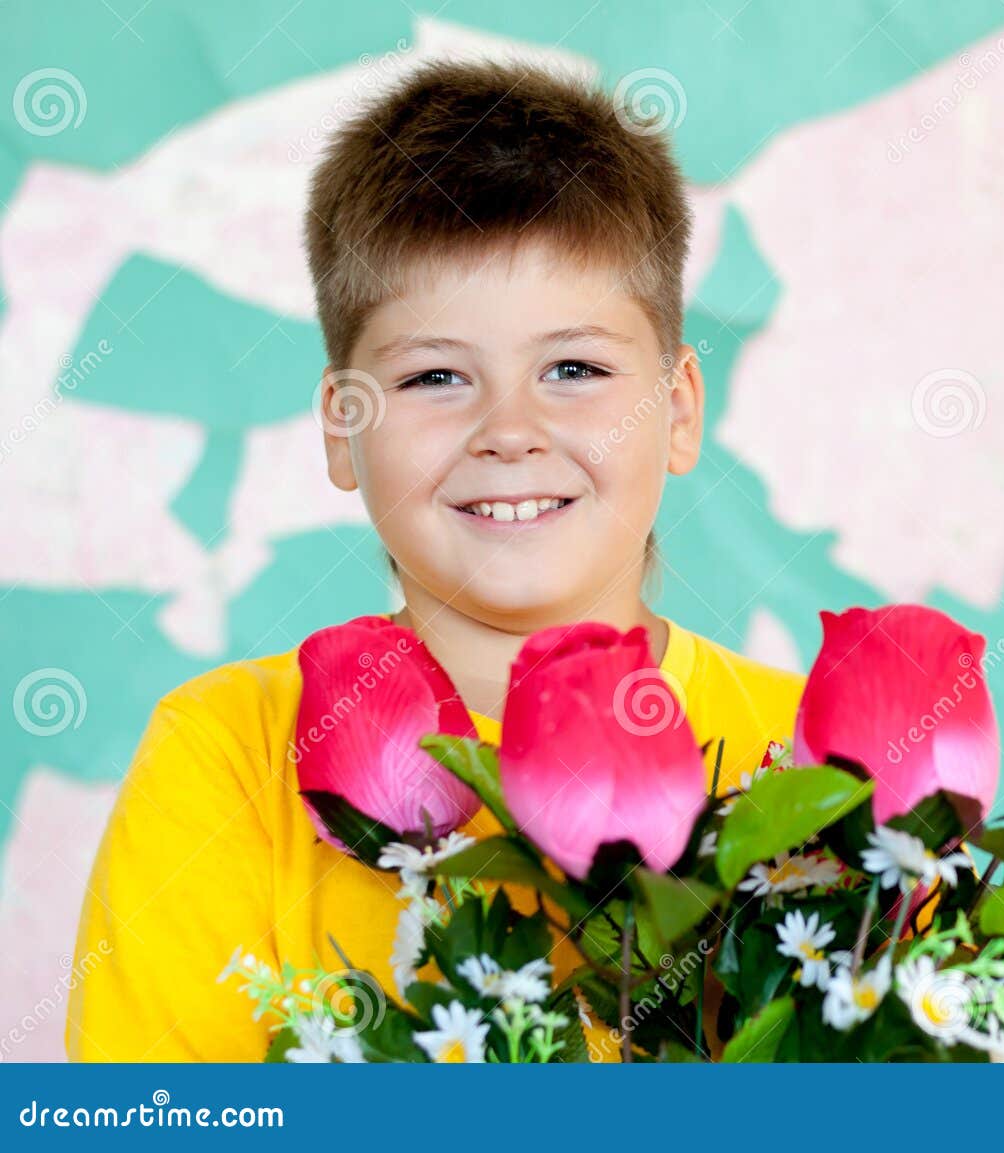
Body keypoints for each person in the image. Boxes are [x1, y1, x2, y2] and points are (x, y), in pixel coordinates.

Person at [65, 58, 804, 1062]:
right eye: (437, 375)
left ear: (676, 409)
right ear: (342, 424)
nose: (510, 430)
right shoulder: (225, 756)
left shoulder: (813, 761)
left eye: (574, 369)